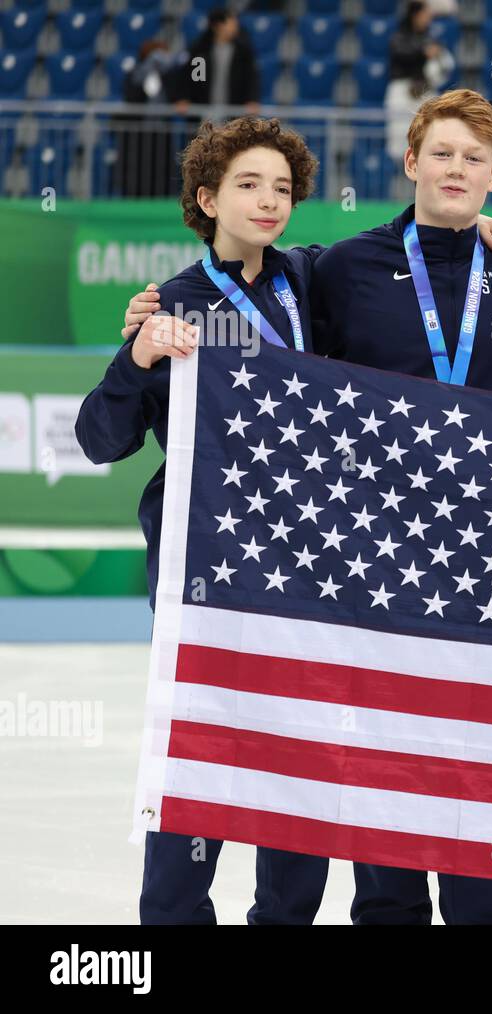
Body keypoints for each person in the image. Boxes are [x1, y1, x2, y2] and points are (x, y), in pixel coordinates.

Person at [309, 88, 492, 925]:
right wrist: (163, 312)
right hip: (377, 555)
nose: (457, 169)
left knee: (475, 751)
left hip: (486, 555)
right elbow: (256, 296)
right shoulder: (343, 266)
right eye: (441, 153)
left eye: (474, 159)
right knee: (383, 749)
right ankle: (385, 912)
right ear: (411, 162)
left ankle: (480, 910)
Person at [75, 116, 328, 925]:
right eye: (249, 185)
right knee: (197, 760)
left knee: (298, 761)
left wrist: (484, 223)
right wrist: (137, 358)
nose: (269, 201)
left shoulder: (312, 284)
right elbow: (98, 440)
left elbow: (403, 257)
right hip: (203, 573)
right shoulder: (172, 305)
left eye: (283, 188)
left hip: (310, 570)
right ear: (206, 196)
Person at [114, 39, 188, 197]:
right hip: (137, 134)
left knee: (160, 169)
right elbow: (131, 98)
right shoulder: (135, 73)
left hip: (161, 133)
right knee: (137, 169)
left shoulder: (171, 75)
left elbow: (177, 95)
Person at [386, 2, 456, 164]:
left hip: (424, 89)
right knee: (398, 139)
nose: (428, 19)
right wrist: (422, 52)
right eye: (425, 15)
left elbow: (444, 65)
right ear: (415, 15)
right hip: (402, 90)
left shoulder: (431, 38)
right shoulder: (399, 36)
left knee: (428, 133)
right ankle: (397, 178)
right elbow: (400, 53)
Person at [180, 8, 261, 114]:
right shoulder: (200, 51)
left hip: (234, 112)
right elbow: (193, 79)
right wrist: (185, 97)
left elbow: (251, 78)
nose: (235, 26)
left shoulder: (243, 52)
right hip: (205, 111)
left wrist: (252, 100)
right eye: (231, 23)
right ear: (218, 26)